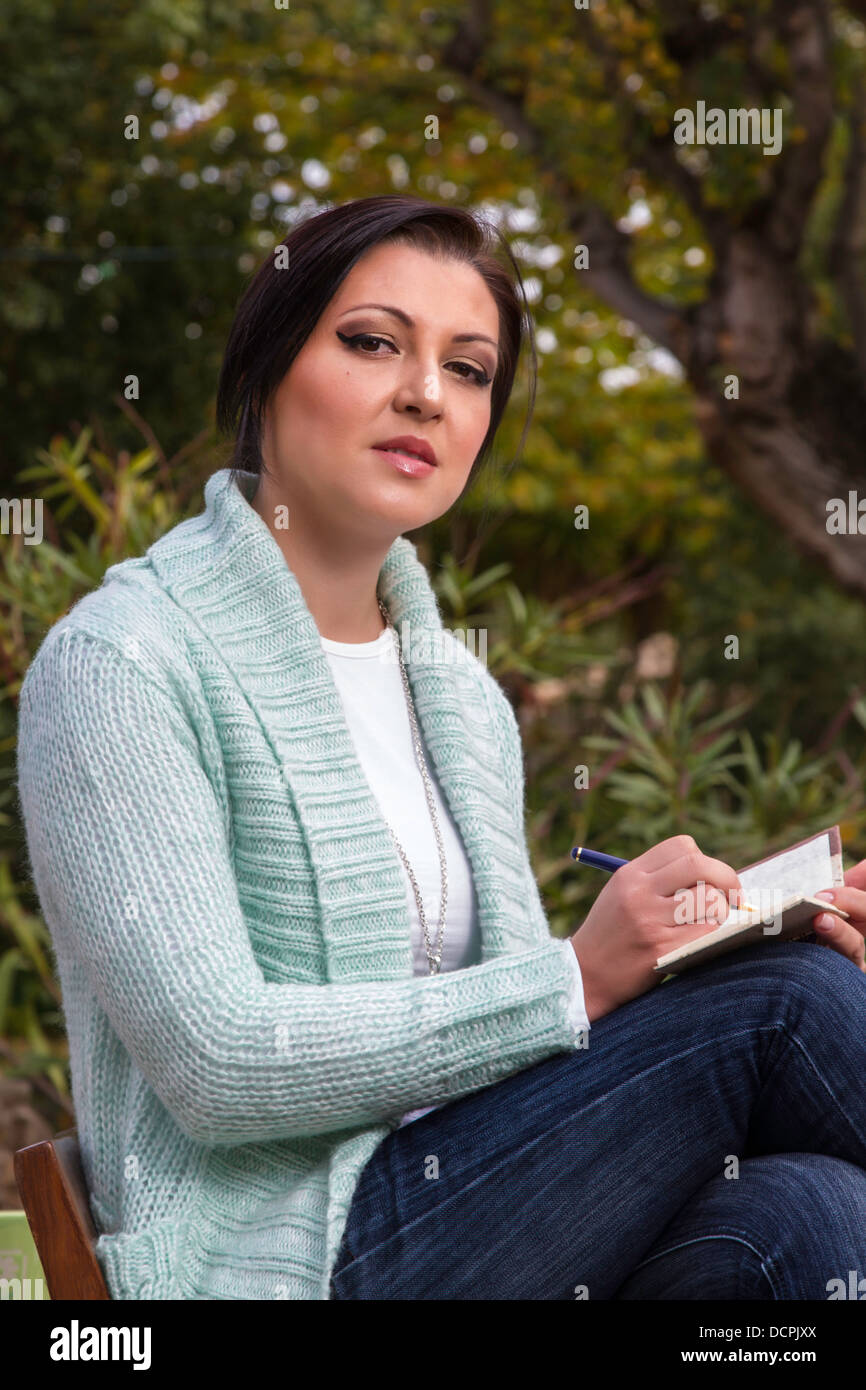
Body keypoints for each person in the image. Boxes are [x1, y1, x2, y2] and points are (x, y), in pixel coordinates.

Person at [16, 195, 866, 1302]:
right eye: (371, 342)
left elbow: (496, 1028)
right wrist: (573, 972)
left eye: (468, 370)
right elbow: (215, 1061)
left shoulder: (457, 692)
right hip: (279, 1265)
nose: (424, 391)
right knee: (786, 1001)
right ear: (269, 365)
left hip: (475, 1213)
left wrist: (683, 944)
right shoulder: (123, 662)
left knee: (809, 1210)